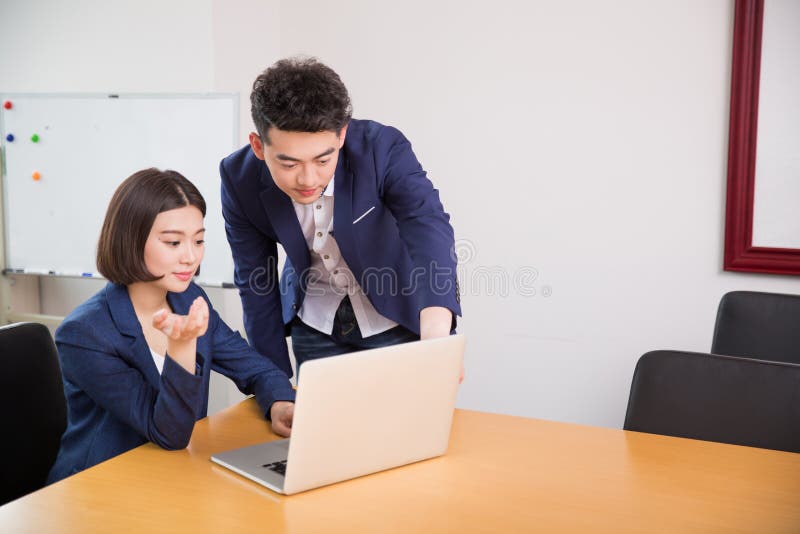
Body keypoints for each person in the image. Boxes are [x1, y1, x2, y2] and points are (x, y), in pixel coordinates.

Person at [47, 168, 295, 484]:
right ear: (131, 240)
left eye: (199, 240)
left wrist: (279, 403)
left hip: (171, 474)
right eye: (174, 242)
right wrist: (182, 347)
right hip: (100, 484)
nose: (191, 257)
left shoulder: (189, 299)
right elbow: (169, 434)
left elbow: (259, 370)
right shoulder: (85, 334)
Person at [220, 57, 462, 378]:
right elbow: (255, 282)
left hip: (397, 318)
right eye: (289, 164)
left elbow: (427, 224)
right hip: (315, 324)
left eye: (323, 160)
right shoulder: (240, 178)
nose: (308, 179)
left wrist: (436, 336)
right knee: (319, 427)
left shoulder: (381, 148)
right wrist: (272, 382)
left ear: (342, 136)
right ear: (258, 146)